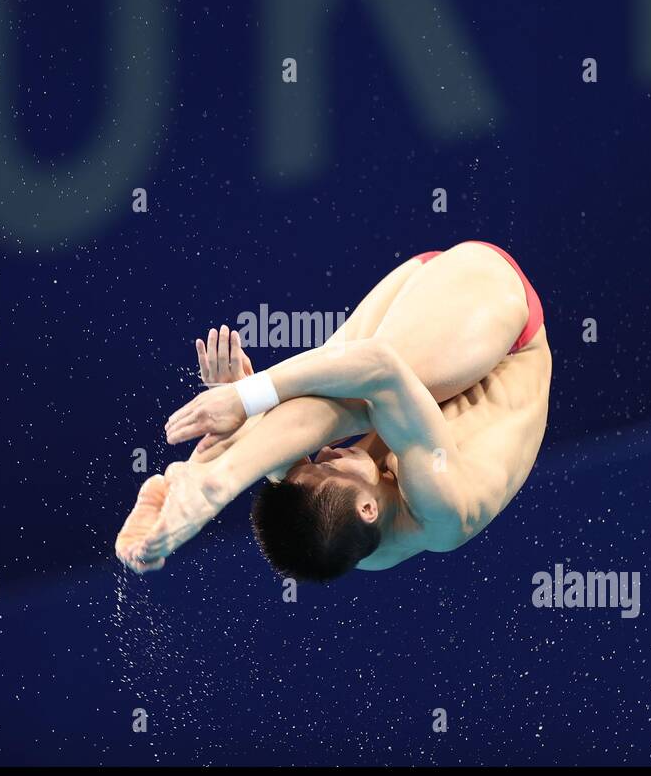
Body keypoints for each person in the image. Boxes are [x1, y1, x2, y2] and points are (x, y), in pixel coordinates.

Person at [115, 241, 551, 580]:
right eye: (329, 468)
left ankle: (206, 473)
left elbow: (300, 478)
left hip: (421, 319)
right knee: (362, 398)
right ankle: (215, 483)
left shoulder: (349, 541)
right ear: (367, 509)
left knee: (327, 406)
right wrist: (247, 398)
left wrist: (246, 422)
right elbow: (380, 369)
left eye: (311, 465)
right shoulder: (443, 510)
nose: (324, 457)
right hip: (496, 312)